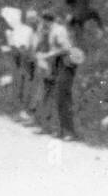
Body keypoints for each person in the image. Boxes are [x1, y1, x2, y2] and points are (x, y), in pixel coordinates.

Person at [32, 10, 79, 140]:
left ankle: (69, 131)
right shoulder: (48, 30)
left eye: (42, 22)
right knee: (50, 94)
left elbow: (66, 48)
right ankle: (55, 128)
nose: (41, 24)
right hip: (56, 64)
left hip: (66, 63)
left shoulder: (59, 30)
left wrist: (48, 55)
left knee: (62, 96)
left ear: (47, 21)